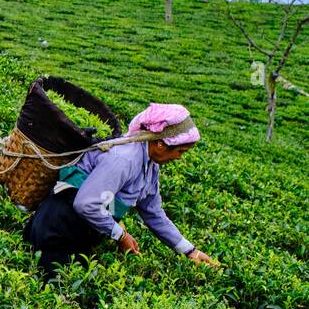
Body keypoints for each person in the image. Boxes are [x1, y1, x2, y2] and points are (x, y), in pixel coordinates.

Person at [23, 103, 220, 278]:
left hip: (78, 235)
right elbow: (86, 203)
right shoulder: (124, 159)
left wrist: (190, 251)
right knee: (57, 296)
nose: (179, 157)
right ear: (161, 144)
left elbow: (154, 214)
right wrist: (121, 235)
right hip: (58, 230)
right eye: (180, 151)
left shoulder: (150, 166)